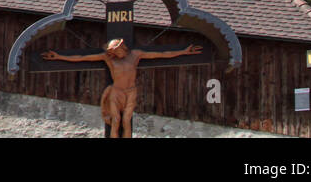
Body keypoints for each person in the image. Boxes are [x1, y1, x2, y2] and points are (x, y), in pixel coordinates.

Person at [42, 38, 202, 137]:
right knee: (116, 121)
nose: (120, 51)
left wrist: (184, 52)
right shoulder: (109, 59)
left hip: (130, 92)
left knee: (127, 121)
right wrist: (59, 56)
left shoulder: (136, 55)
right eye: (116, 50)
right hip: (116, 92)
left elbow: (161, 54)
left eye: (120, 48)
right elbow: (82, 58)